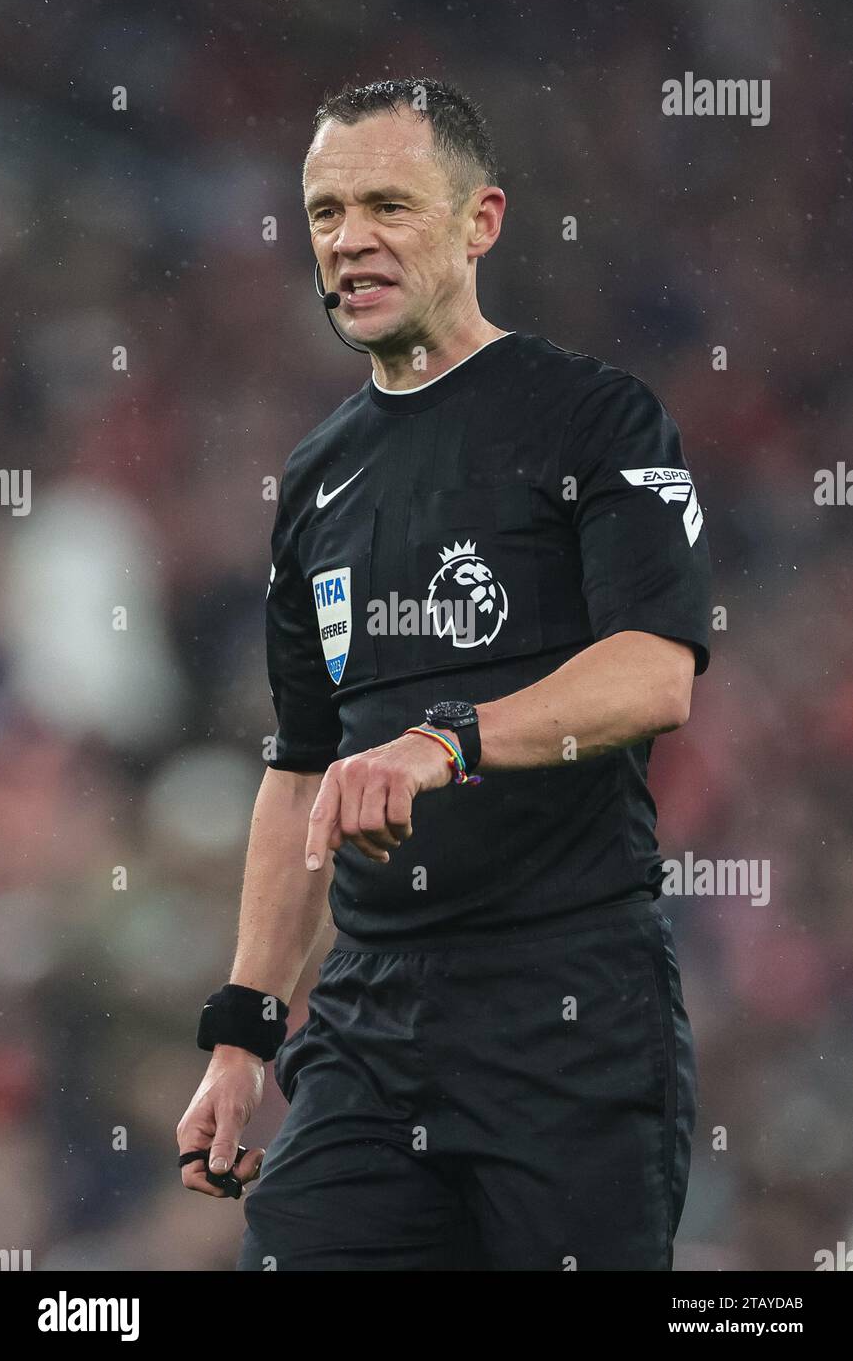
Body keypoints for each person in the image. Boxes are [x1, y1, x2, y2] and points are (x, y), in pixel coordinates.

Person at [177, 77, 712, 1271]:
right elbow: (301, 765)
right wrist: (242, 1034)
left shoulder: (596, 420)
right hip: (371, 1026)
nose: (347, 239)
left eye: (386, 205)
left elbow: (651, 671)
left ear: (481, 223)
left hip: (568, 1010)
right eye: (323, 212)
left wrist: (444, 739)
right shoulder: (315, 480)